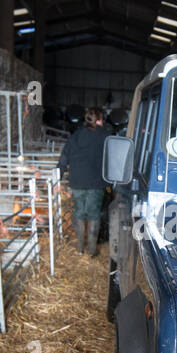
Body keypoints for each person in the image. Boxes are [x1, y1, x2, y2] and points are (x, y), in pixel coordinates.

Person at [59, 108, 108, 256]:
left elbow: (63, 157)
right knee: (93, 215)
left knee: (79, 213)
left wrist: (58, 177)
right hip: (96, 183)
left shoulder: (76, 135)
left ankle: (80, 249)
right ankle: (91, 251)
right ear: (99, 120)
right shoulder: (105, 136)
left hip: (77, 181)